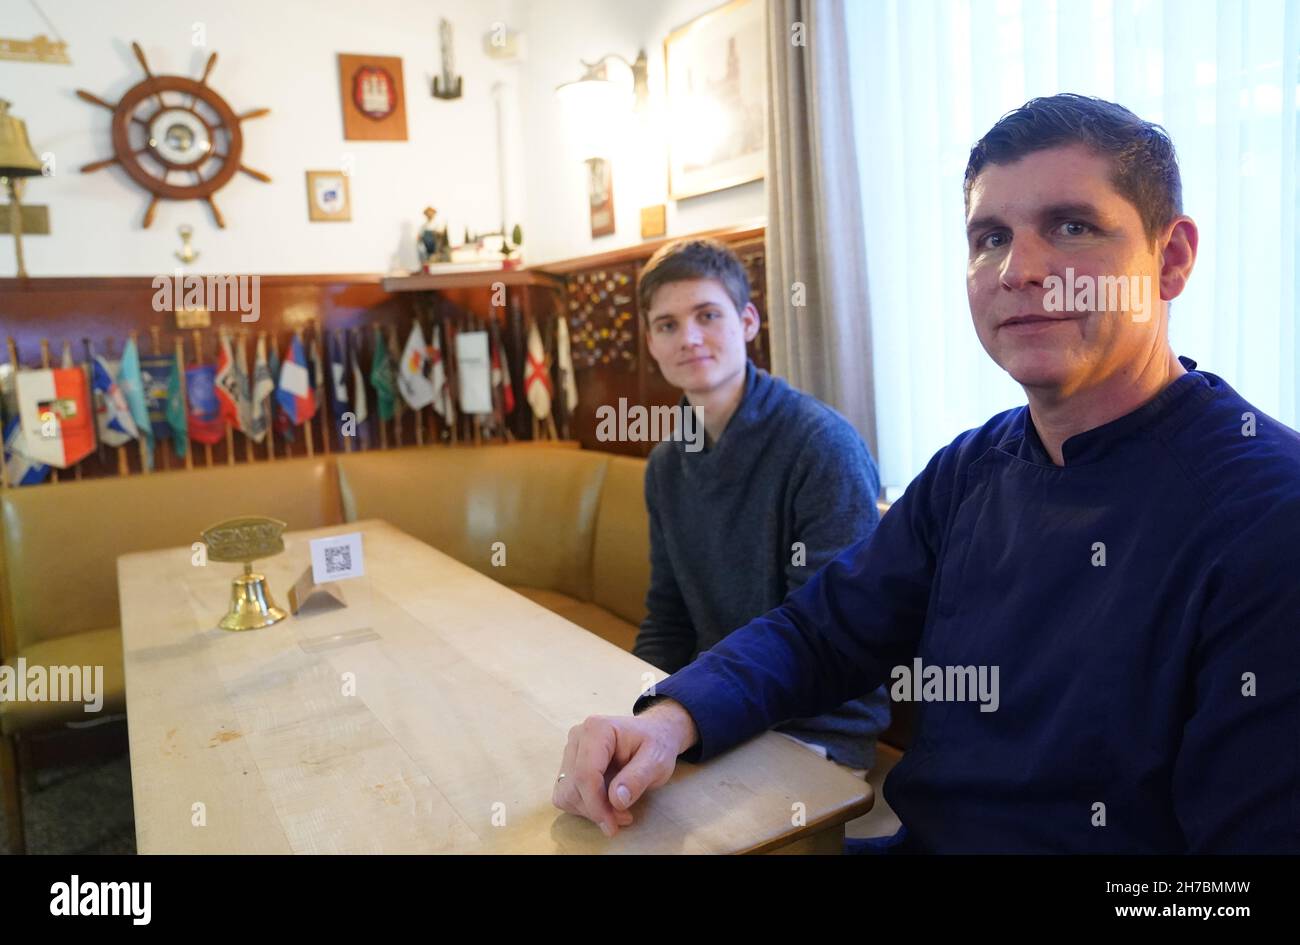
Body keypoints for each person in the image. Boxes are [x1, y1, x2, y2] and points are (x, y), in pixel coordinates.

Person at [551, 94, 1300, 853]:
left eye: (1071, 226)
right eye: (990, 237)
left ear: (1170, 259)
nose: (1019, 269)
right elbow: (820, 632)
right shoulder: (970, 469)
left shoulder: (1270, 510)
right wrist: (666, 719)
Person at [630, 239, 890, 795]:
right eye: (668, 325)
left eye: (707, 315)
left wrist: (680, 718)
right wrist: (635, 710)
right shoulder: (665, 467)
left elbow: (827, 641)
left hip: (817, 728)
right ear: (651, 341)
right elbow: (667, 618)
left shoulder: (822, 447)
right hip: (709, 706)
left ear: (747, 321)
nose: (690, 338)